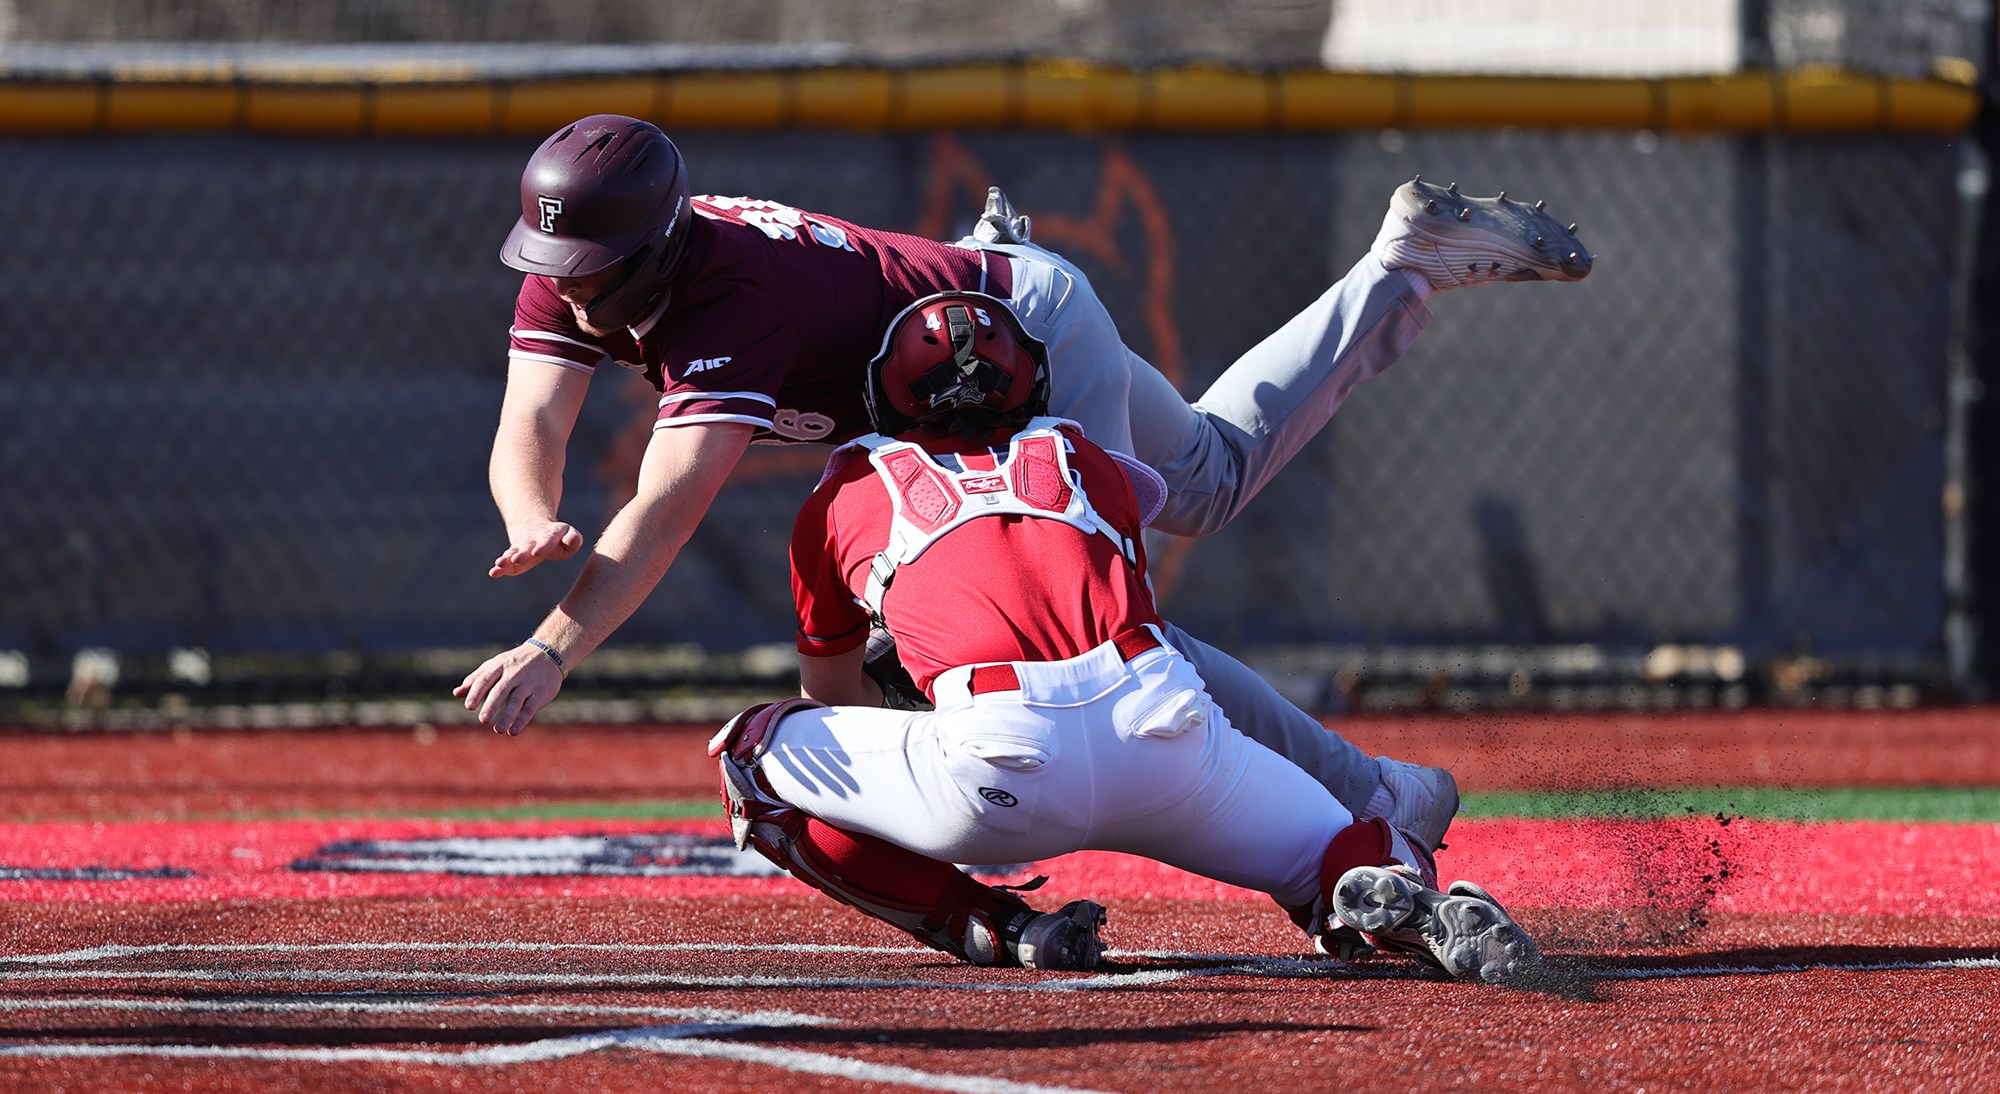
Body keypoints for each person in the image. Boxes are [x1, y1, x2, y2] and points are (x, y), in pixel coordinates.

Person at [454, 113, 1593, 857]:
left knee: (1092, 634)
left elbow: (664, 507)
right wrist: (531, 516)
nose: (572, 297)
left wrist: (554, 648)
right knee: (1203, 477)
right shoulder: (583, 266)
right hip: (984, 315)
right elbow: (528, 420)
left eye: (594, 275)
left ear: (658, 246)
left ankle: (1374, 800)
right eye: (555, 269)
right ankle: (1399, 268)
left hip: (1015, 327)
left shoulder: (730, 300)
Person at [705, 290, 1542, 981]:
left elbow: (832, 696)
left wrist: (909, 685)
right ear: (1030, 381)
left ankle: (996, 928)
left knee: (751, 753)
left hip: (998, 761)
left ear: (887, 395)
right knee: (1352, 839)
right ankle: (1380, 886)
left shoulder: (847, 489)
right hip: (1164, 727)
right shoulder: (1081, 454)